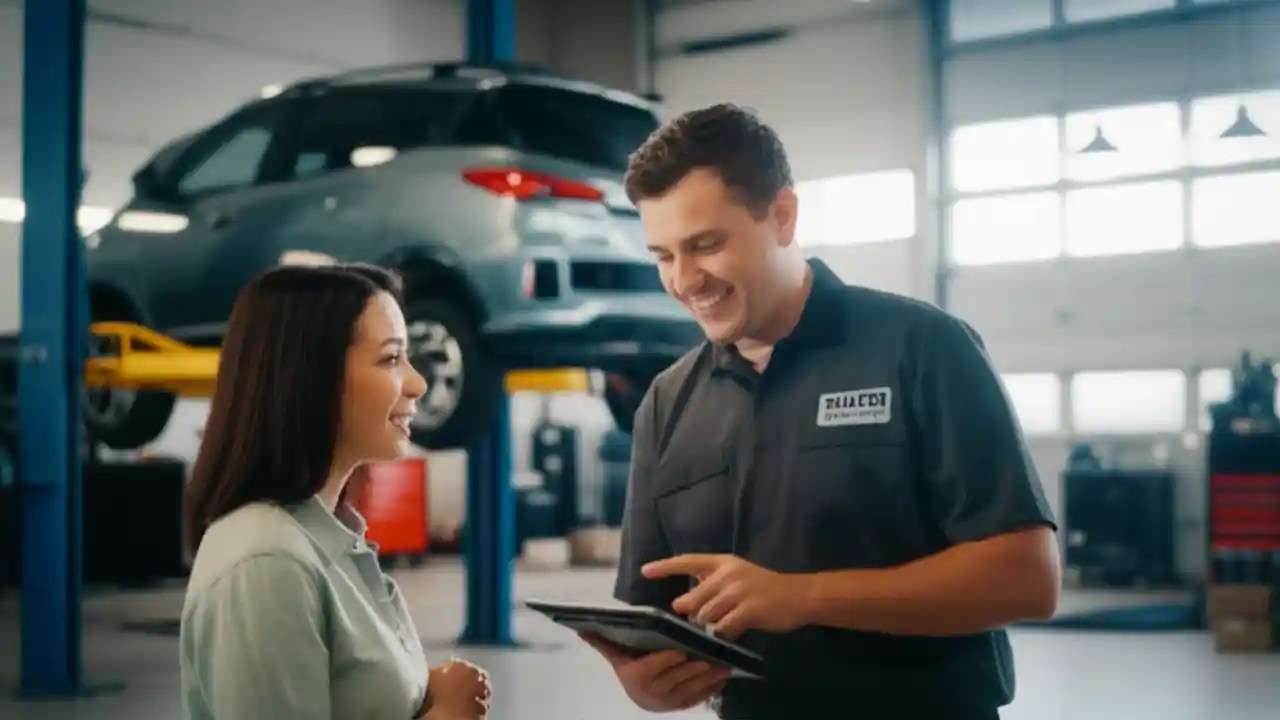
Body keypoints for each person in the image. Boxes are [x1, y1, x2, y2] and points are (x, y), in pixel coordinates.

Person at [582, 104, 1062, 719]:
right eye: (663, 256)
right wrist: (648, 685)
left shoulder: (922, 348)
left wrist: (804, 597)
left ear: (781, 217)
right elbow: (659, 617)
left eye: (705, 245)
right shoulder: (668, 404)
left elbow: (1027, 578)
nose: (684, 280)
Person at [179, 263, 492, 719]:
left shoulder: (328, 539)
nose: (417, 382)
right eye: (391, 358)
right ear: (312, 375)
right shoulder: (268, 562)